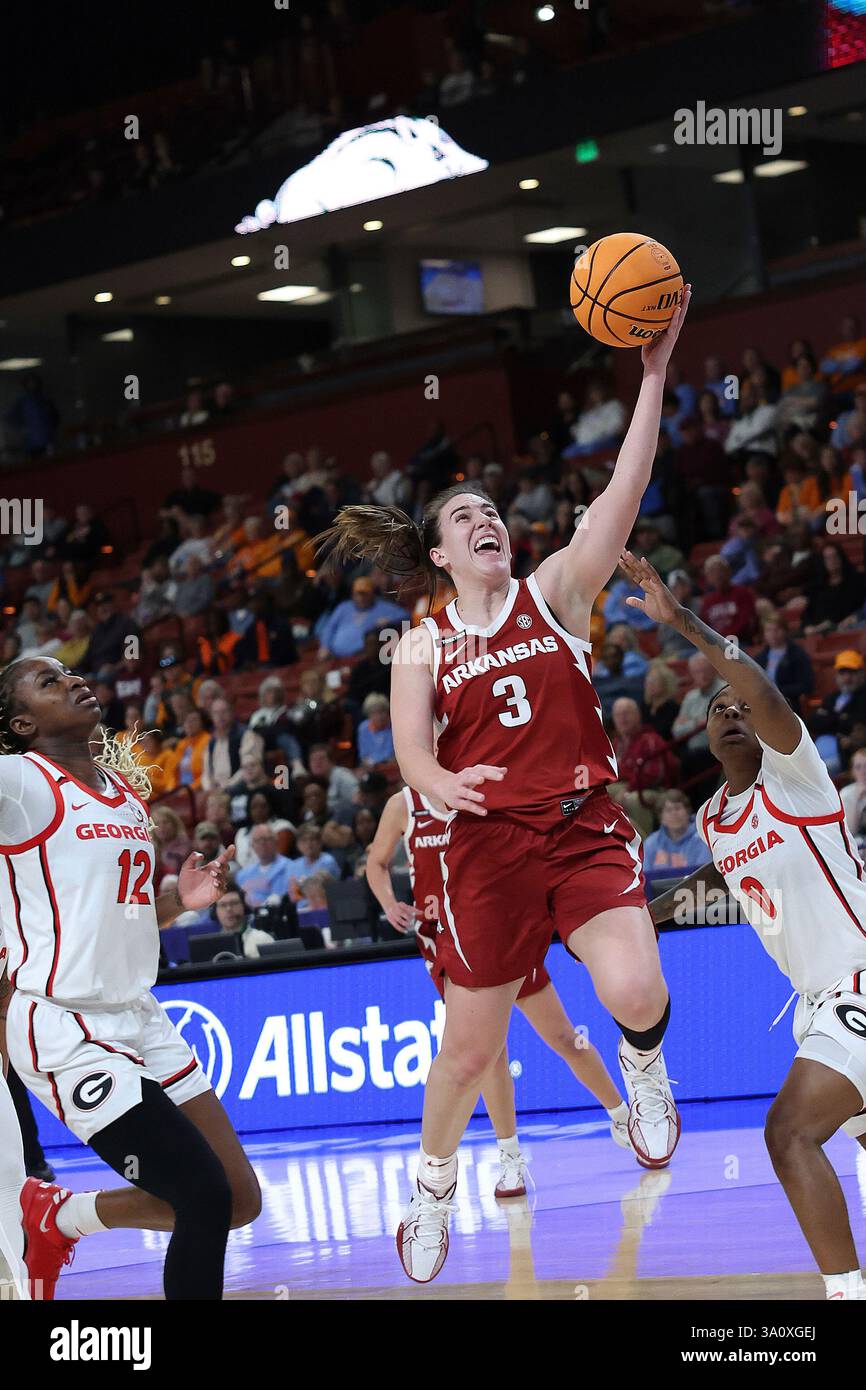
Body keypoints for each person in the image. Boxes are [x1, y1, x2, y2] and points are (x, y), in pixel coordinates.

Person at [319, 287, 691, 1282]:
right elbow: (409, 755)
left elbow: (623, 488)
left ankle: (644, 1069)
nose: (483, 518)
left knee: (632, 985)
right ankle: (432, 1186)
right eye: (461, 516)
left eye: (490, 510)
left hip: (575, 828)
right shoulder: (421, 643)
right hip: (482, 849)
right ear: (439, 554)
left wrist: (649, 374)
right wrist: (446, 780)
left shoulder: (557, 591)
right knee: (468, 1055)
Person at [627, 554, 866, 1301]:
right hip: (816, 1004)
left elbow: (758, 687)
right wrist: (643, 918)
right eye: (718, 711)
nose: (732, 713)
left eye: (740, 708)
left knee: (788, 1134)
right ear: (703, 736)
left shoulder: (798, 774)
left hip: (859, 977)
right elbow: (721, 877)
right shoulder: (713, 817)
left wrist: (685, 623)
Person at [0, 656, 259, 1300]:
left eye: (69, 672)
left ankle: (59, 1217)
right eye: (49, 682)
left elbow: (129, 908)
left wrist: (180, 900)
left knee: (237, 1198)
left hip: (140, 1016)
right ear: (23, 723)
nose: (73, 681)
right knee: (200, 1191)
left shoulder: (122, 789)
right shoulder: (21, 784)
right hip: (63, 1025)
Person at [365, 787, 634, 1199]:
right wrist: (388, 903)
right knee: (487, 1053)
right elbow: (377, 862)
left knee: (564, 1037)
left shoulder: (479, 789)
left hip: (498, 931)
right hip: (443, 942)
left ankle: (622, 1116)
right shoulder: (403, 805)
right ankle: (510, 1160)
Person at [641, 789, 710, 889]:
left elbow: (705, 875)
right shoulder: (650, 843)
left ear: (688, 812)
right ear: (661, 818)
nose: (674, 813)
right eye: (668, 810)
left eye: (678, 808)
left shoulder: (702, 838)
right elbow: (644, 878)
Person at [754, 617, 814, 710]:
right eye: (769, 630)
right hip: (763, 703)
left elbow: (806, 685)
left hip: (789, 703)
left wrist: (777, 691)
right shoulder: (760, 658)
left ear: (785, 631)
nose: (773, 634)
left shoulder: (797, 655)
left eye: (777, 629)